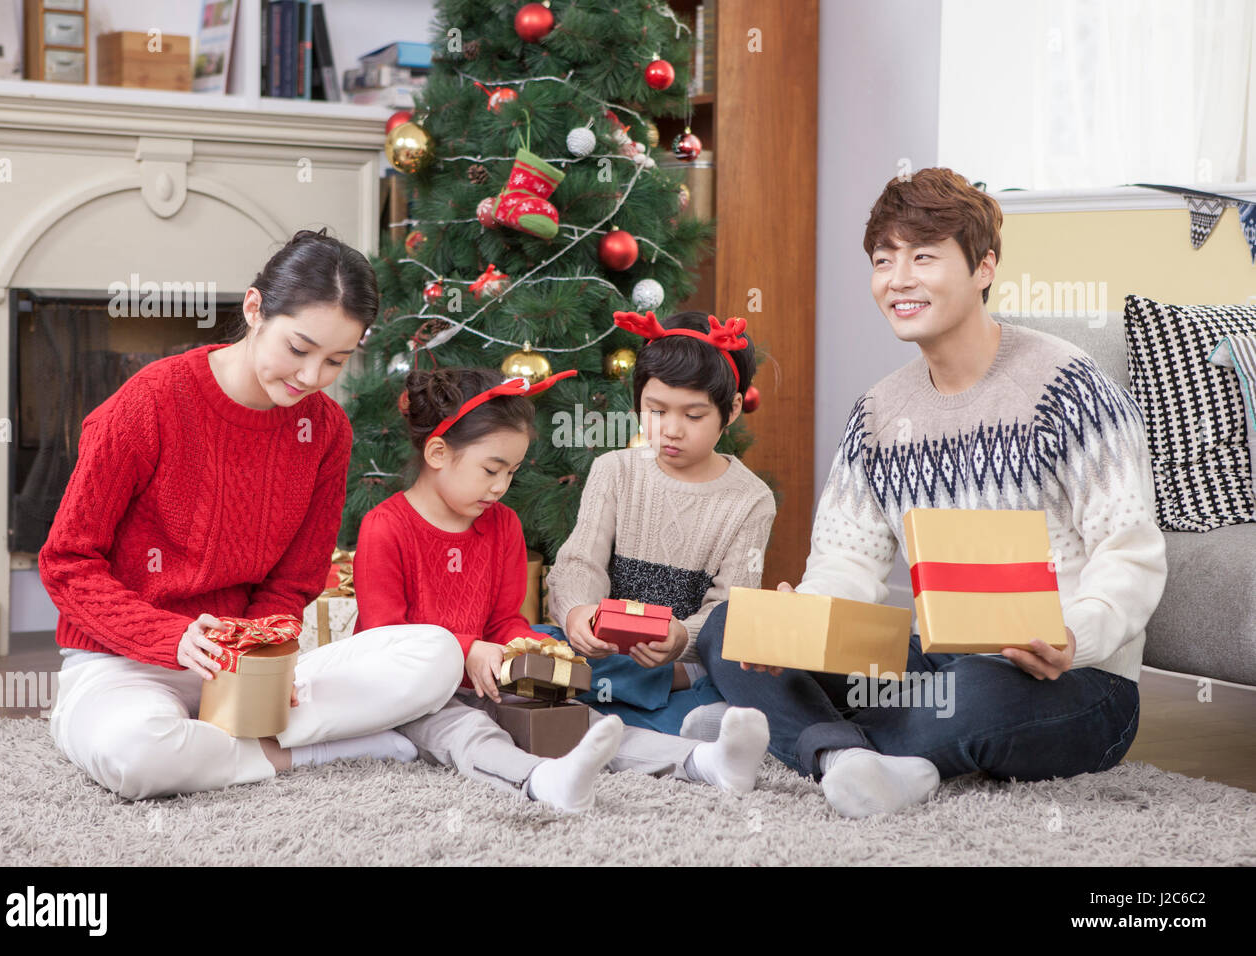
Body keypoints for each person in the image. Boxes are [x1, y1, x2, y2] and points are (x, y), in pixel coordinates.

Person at [696, 167, 1168, 818]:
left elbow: (1132, 554)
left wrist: (1073, 633)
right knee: (732, 629)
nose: (899, 279)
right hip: (932, 665)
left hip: (1071, 677)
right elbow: (846, 568)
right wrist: (797, 629)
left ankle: (797, 736)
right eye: (884, 259)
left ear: (983, 268)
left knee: (975, 695)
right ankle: (846, 759)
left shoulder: (1069, 388)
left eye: (923, 256)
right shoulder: (878, 414)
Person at [41, 229, 461, 801]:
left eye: (336, 360)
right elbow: (67, 561)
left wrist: (265, 657)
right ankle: (306, 750)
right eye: (298, 349)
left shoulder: (326, 433)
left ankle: (226, 745)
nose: (311, 377)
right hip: (124, 663)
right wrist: (173, 637)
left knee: (435, 655)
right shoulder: (151, 403)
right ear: (255, 308)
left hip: (245, 667)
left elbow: (291, 583)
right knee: (136, 754)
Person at [355, 366, 771, 813]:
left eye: (511, 473)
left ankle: (702, 761)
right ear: (438, 452)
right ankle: (541, 781)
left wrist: (534, 652)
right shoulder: (386, 529)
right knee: (467, 732)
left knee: (578, 718)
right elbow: (384, 637)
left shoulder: (503, 525)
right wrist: (465, 650)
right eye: (491, 470)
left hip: (489, 676)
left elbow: (503, 621)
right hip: (413, 693)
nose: (500, 487)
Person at [544, 310, 776, 738]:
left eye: (693, 416)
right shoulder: (614, 470)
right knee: (538, 646)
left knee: (738, 677)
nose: (671, 430)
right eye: (656, 410)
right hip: (604, 652)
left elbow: (730, 611)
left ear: (732, 410)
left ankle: (615, 712)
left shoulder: (751, 500)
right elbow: (580, 563)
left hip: (681, 664)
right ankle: (637, 710)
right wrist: (578, 612)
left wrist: (679, 639)